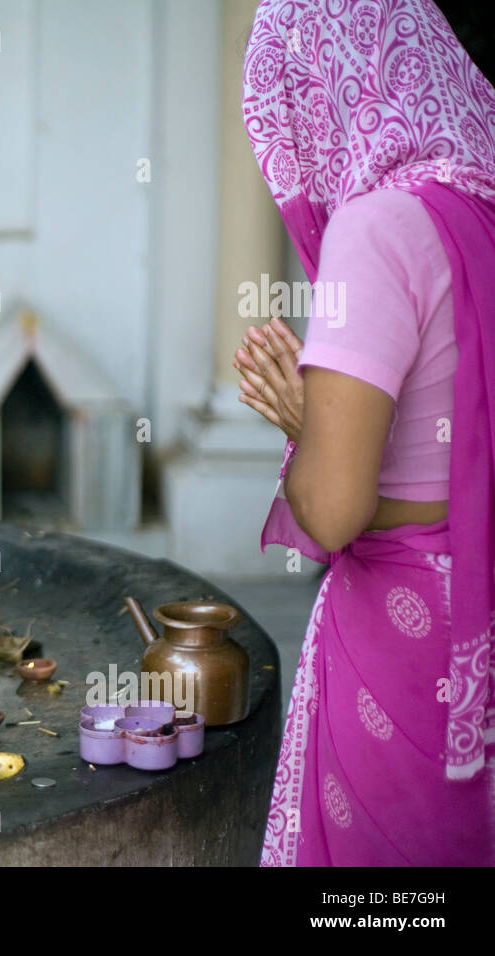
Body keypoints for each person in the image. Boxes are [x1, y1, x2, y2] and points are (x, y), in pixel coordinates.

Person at [235, 0, 495, 865]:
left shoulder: (377, 229)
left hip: (408, 653)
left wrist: (310, 431)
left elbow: (333, 513)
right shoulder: (483, 210)